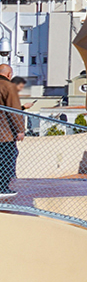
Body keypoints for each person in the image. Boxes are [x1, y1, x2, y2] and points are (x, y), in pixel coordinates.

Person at [0, 67, 24, 200]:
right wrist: (20, 130)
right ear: (9, 74)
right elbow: (13, 110)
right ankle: (2, 187)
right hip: (4, 134)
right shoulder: (8, 86)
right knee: (7, 158)